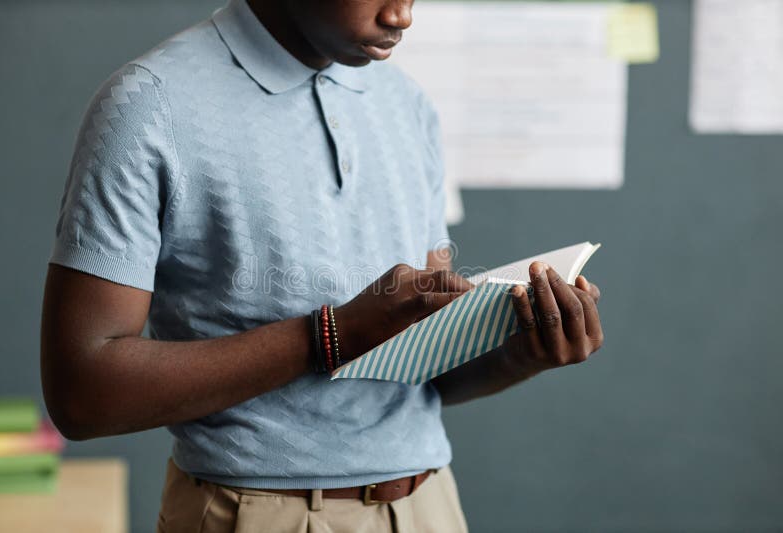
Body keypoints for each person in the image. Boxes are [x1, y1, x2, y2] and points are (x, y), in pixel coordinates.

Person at [40, 0, 604, 531]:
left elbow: (421, 368)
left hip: (428, 508)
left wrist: (521, 354)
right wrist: (325, 337)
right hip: (258, 513)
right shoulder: (148, 105)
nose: (401, 14)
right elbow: (83, 396)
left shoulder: (408, 105)